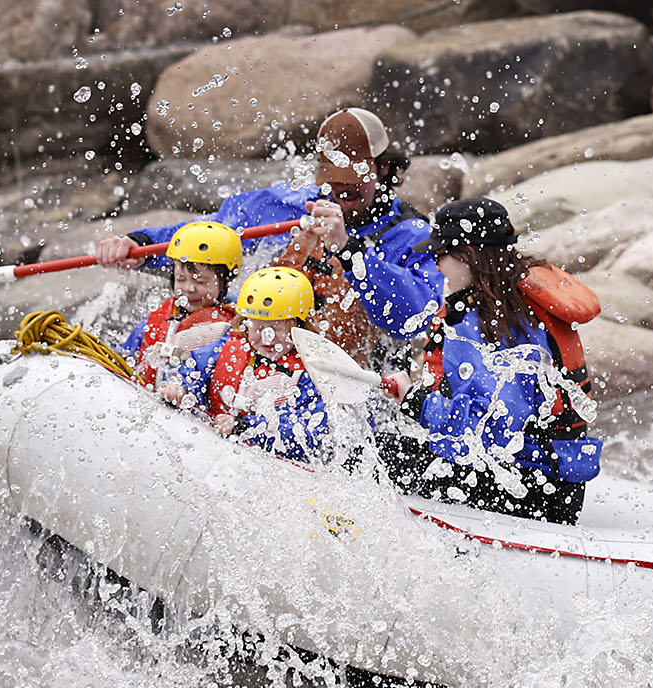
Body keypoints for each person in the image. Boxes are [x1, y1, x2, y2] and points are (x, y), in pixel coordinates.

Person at [96, 107, 442, 368]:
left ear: (383, 168)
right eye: (333, 180)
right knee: (190, 320)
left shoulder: (411, 235)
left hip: (342, 373)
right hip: (262, 353)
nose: (340, 190)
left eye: (351, 180)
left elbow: (413, 319)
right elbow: (211, 235)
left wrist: (349, 251)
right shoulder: (293, 205)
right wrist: (139, 245)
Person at [377, 198, 603, 525]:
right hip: (552, 484)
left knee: (372, 457)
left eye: (441, 255)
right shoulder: (510, 305)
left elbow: (496, 428)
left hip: (535, 492)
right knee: (391, 445)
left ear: (468, 256)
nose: (437, 266)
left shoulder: (498, 324)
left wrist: (417, 403)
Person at [181, 266, 329, 463]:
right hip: (215, 451)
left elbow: (312, 431)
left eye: (276, 328)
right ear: (245, 324)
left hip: (268, 463)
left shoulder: (310, 374)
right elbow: (194, 369)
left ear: (299, 327)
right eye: (257, 328)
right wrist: (184, 390)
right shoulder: (227, 349)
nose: (267, 338)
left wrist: (248, 427)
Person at [119, 220, 241, 404]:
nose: (189, 289)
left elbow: (205, 366)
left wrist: (185, 388)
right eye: (181, 279)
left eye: (200, 282)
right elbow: (125, 355)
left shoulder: (230, 329)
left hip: (190, 409)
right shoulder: (162, 315)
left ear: (226, 281)